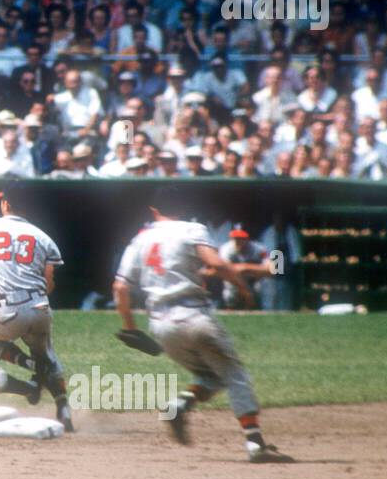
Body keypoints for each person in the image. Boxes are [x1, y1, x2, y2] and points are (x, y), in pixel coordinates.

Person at [111, 186, 291, 463]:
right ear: (183, 208)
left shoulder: (140, 239)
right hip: (194, 316)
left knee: (211, 376)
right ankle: (256, 444)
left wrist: (130, 327)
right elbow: (217, 265)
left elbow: (120, 287)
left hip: (160, 325)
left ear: (154, 211)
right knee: (234, 375)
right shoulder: (192, 229)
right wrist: (243, 288)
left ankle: (179, 405)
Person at [0, 181, 72, 429]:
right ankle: (64, 411)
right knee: (49, 356)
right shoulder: (43, 237)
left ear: (6, 203)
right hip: (39, 307)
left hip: (5, 309)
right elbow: (49, 283)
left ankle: (32, 367)